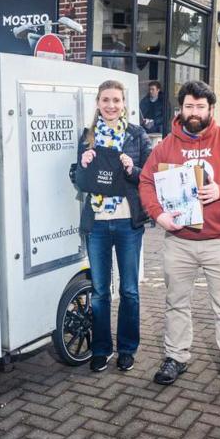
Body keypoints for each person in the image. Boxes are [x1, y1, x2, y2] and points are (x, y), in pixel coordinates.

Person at [138, 80, 220, 404]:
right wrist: (158, 214)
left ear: (210, 109)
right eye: (189, 106)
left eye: (200, 107)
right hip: (179, 240)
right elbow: (147, 181)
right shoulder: (166, 146)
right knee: (176, 302)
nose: (194, 113)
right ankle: (175, 356)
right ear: (181, 108)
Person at [71, 80, 152, 372]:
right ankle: (101, 349)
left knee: (129, 290)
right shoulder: (87, 137)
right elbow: (77, 178)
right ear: (97, 103)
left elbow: (150, 175)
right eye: (105, 100)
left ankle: (127, 349)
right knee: (101, 291)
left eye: (116, 100)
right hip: (97, 225)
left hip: (128, 223)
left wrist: (133, 169)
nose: (111, 105)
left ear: (124, 104)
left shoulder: (136, 135)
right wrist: (83, 162)